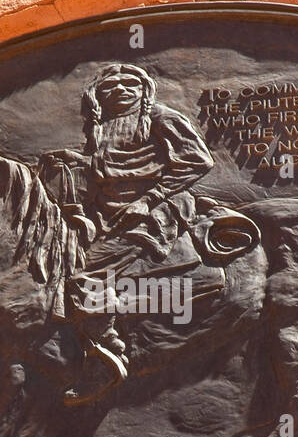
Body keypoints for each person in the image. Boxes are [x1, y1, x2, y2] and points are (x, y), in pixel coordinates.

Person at [41, 64, 216, 405]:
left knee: (85, 271)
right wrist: (73, 160)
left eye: (130, 83)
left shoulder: (162, 119)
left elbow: (199, 161)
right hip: (108, 211)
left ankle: (105, 356)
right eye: (111, 86)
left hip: (157, 207)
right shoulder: (100, 129)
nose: (121, 89)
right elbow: (107, 168)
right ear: (98, 95)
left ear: (144, 89)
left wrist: (149, 200)